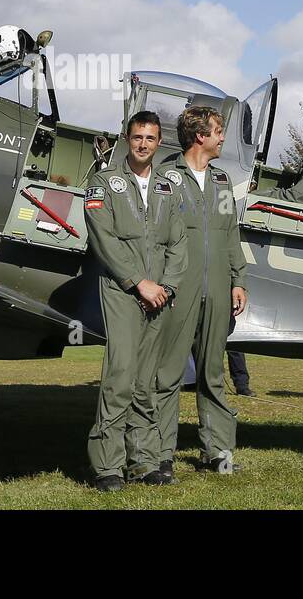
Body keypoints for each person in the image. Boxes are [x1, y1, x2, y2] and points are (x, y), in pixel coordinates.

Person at [85, 110, 188, 492]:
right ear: (127, 139)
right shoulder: (104, 183)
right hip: (123, 292)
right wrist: (138, 283)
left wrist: (168, 287)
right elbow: (104, 241)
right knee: (121, 377)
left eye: (150, 138)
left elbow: (178, 244)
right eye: (137, 137)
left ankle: (143, 460)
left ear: (159, 143)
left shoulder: (168, 188)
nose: (143, 144)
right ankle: (107, 465)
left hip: (160, 295)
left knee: (146, 382)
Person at [150, 105, 248, 478]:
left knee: (213, 374)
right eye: (219, 132)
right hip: (177, 290)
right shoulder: (166, 178)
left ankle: (218, 452)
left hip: (218, 291)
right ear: (200, 136)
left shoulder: (223, 181)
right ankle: (159, 453)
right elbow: (155, 236)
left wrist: (238, 279)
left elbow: (230, 234)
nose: (223, 138)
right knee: (168, 374)